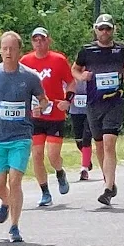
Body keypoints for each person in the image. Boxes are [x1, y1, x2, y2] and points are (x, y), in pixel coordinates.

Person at [0, 31, 47, 242]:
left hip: (21, 136)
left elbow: (43, 99)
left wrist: (40, 107)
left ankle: (14, 227)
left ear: (19, 51)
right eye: (4, 48)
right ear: (0, 50)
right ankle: (7, 201)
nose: (8, 52)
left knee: (15, 180)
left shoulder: (30, 76)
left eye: (12, 49)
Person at [72, 14, 124, 206]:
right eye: (101, 28)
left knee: (109, 143)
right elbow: (75, 69)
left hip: (115, 101)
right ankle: (109, 180)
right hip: (94, 103)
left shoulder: (121, 50)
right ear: (95, 29)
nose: (105, 32)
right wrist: (81, 76)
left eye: (108, 28)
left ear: (113, 30)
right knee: (99, 144)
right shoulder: (87, 50)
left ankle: (108, 189)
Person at [19, 27, 74, 206]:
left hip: (55, 114)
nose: (39, 43)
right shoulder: (25, 61)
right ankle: (45, 192)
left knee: (53, 154)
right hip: (34, 115)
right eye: (35, 39)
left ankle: (59, 171)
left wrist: (67, 100)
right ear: (31, 42)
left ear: (48, 40)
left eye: (42, 39)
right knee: (36, 154)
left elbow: (71, 82)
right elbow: (19, 85)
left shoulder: (58, 60)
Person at [69, 79, 93, 180]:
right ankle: (87, 158)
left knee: (86, 138)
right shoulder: (71, 76)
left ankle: (84, 168)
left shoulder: (90, 74)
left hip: (90, 111)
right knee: (79, 141)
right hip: (75, 111)